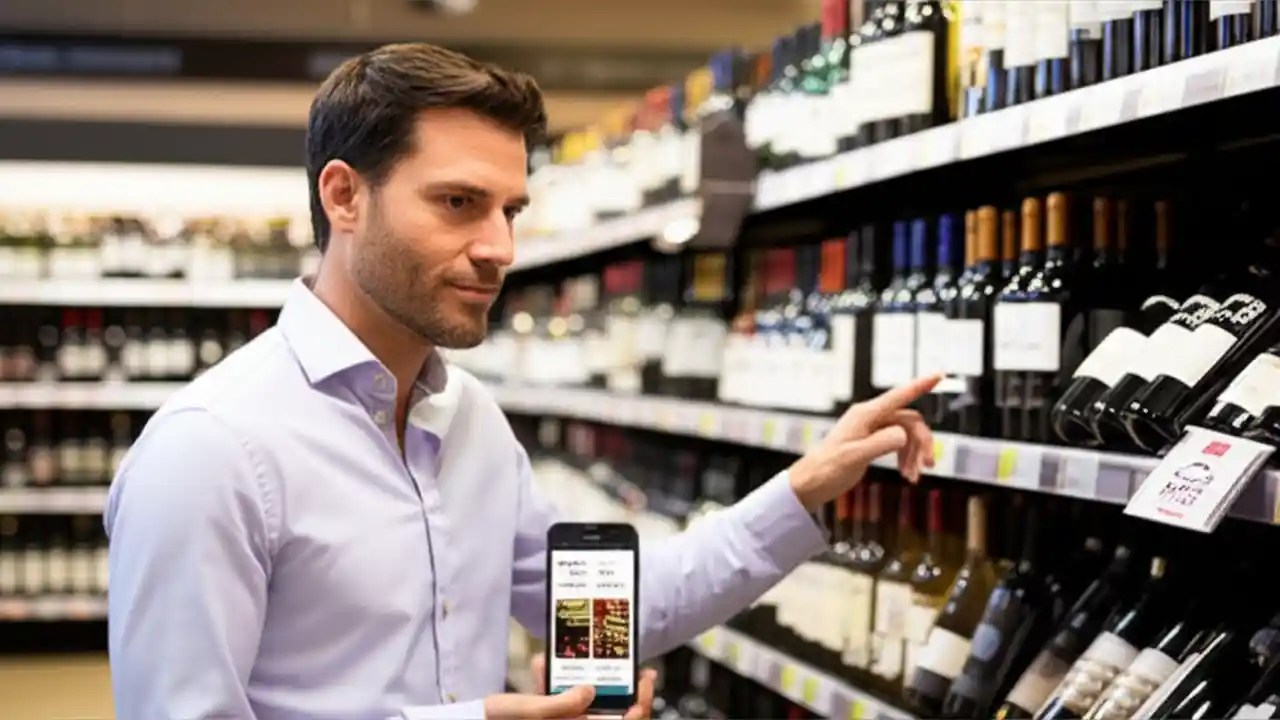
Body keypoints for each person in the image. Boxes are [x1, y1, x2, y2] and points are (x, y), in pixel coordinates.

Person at [104, 41, 939, 720]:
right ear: (344, 196)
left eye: (511, 211)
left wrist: (803, 489)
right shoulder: (212, 449)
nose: (501, 248)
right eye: (460, 203)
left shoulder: (469, 421)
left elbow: (601, 615)